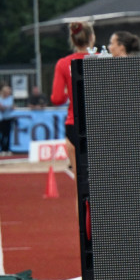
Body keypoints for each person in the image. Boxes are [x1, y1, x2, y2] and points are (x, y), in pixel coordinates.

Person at [51, 21, 94, 172]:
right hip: (100, 122)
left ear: (72, 39)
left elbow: (57, 98)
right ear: (91, 38)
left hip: (75, 122)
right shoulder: (101, 59)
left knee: (80, 182)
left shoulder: (63, 64)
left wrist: (69, 93)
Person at [0, 84, 15, 155]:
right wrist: (6, 107)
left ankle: (6, 149)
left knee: (7, 134)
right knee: (0, 135)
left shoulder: (10, 98)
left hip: (8, 118)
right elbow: (2, 108)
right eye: (7, 91)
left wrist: (5, 107)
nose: (8, 93)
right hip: (0, 119)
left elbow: (8, 106)